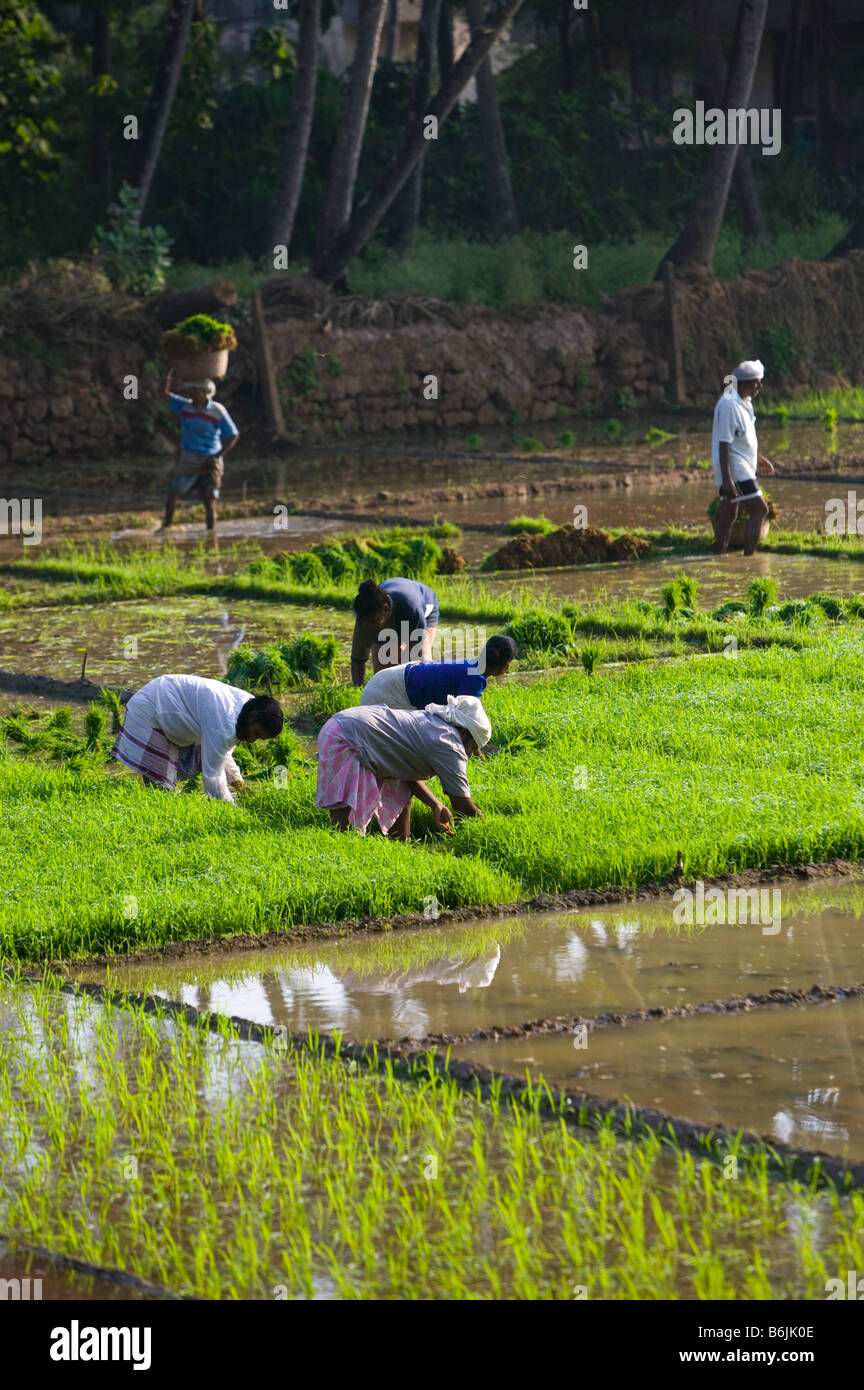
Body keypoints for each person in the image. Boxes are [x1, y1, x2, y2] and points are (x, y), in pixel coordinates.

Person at [316, 693, 490, 839]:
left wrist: (435, 804)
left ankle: (400, 846)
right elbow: (464, 809)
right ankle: (345, 856)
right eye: (473, 748)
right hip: (346, 737)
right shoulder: (450, 743)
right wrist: (489, 828)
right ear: (465, 733)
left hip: (344, 726)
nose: (470, 754)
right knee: (347, 817)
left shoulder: (434, 724)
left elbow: (409, 776)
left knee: (402, 791)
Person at [111, 673, 283, 802]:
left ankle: (154, 808)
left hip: (167, 704)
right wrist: (231, 809)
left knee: (163, 789)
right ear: (252, 717)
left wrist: (239, 784)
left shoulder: (246, 708)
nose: (252, 740)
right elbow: (213, 778)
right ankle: (151, 815)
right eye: (256, 733)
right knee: (160, 788)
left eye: (260, 738)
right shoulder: (225, 721)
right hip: (151, 709)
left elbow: (222, 754)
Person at [159, 372, 239, 532]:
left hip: (210, 459)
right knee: (174, 492)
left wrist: (217, 456)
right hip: (189, 457)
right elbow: (165, 396)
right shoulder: (185, 406)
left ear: (205, 393)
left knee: (209, 499)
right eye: (192, 390)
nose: (193, 393)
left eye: (196, 390)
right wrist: (167, 378)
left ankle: (211, 533)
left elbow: (233, 435)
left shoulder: (217, 410)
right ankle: (166, 526)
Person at [711, 359, 776, 556]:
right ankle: (749, 558)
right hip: (735, 469)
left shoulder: (745, 402)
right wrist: (727, 480)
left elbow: (743, 438)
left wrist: (757, 458)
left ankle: (718, 554)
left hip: (742, 465)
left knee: (729, 513)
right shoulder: (730, 406)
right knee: (760, 510)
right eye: (757, 382)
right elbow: (724, 445)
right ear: (746, 383)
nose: (760, 386)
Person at [360, 634, 518, 709]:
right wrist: (481, 757)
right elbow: (464, 725)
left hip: (384, 681)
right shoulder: (474, 679)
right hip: (385, 693)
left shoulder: (470, 666)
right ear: (505, 666)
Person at [350, 577, 439, 686]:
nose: (370, 627)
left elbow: (420, 657)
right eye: (367, 623)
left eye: (373, 622)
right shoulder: (365, 618)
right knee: (383, 678)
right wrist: (359, 688)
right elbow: (358, 658)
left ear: (386, 609)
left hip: (424, 605)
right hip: (390, 610)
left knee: (417, 672)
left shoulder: (410, 608)